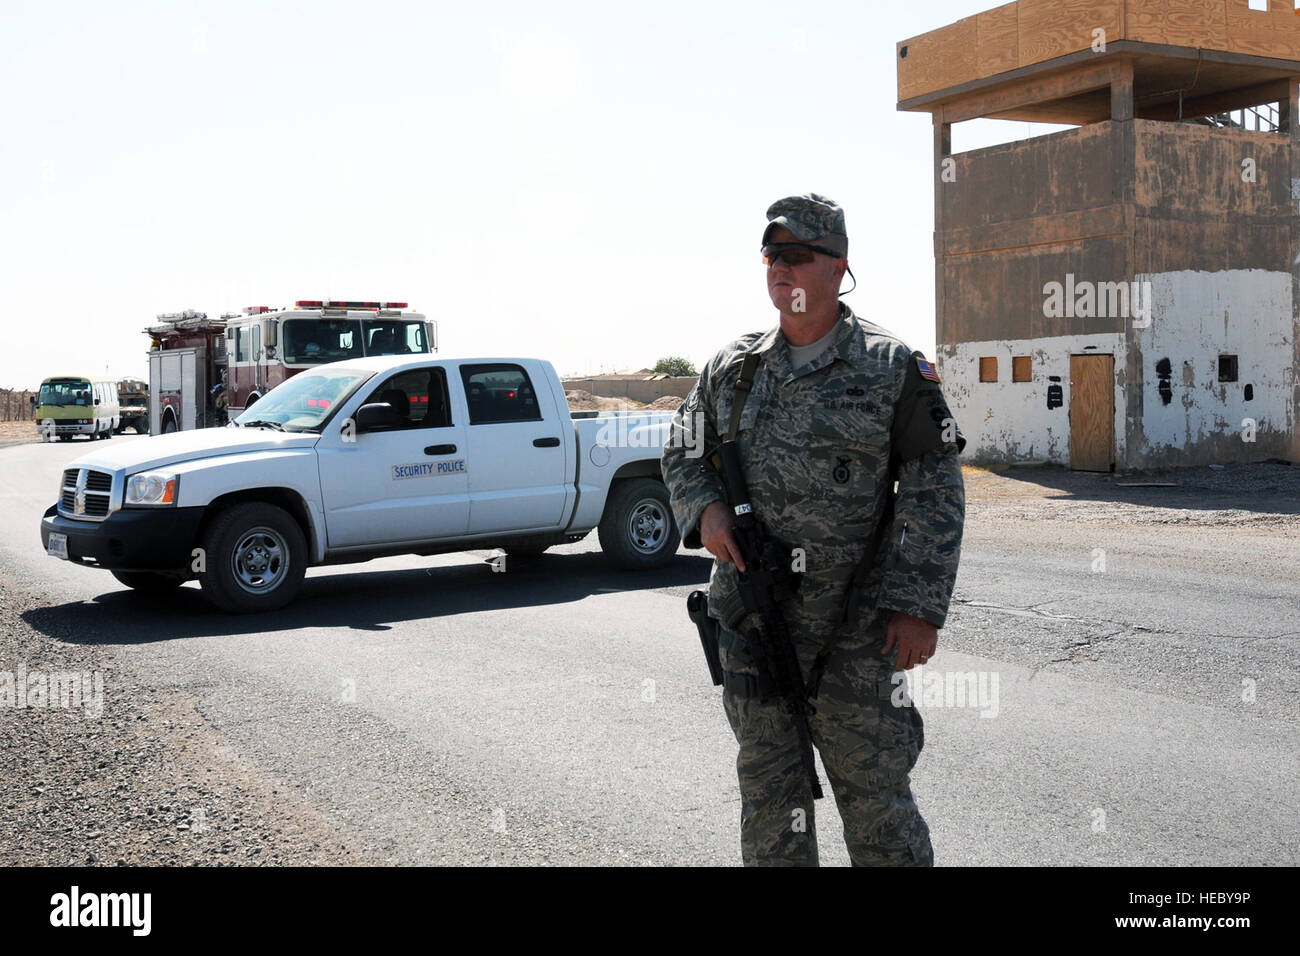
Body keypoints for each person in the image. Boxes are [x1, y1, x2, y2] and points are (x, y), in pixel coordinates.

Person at [661, 193, 966, 866]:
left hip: (858, 634)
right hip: (755, 629)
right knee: (772, 808)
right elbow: (681, 446)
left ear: (839, 269)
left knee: (879, 808)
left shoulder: (892, 370)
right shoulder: (731, 369)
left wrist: (918, 608)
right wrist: (704, 508)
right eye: (773, 255)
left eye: (798, 255)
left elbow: (935, 491)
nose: (781, 268)